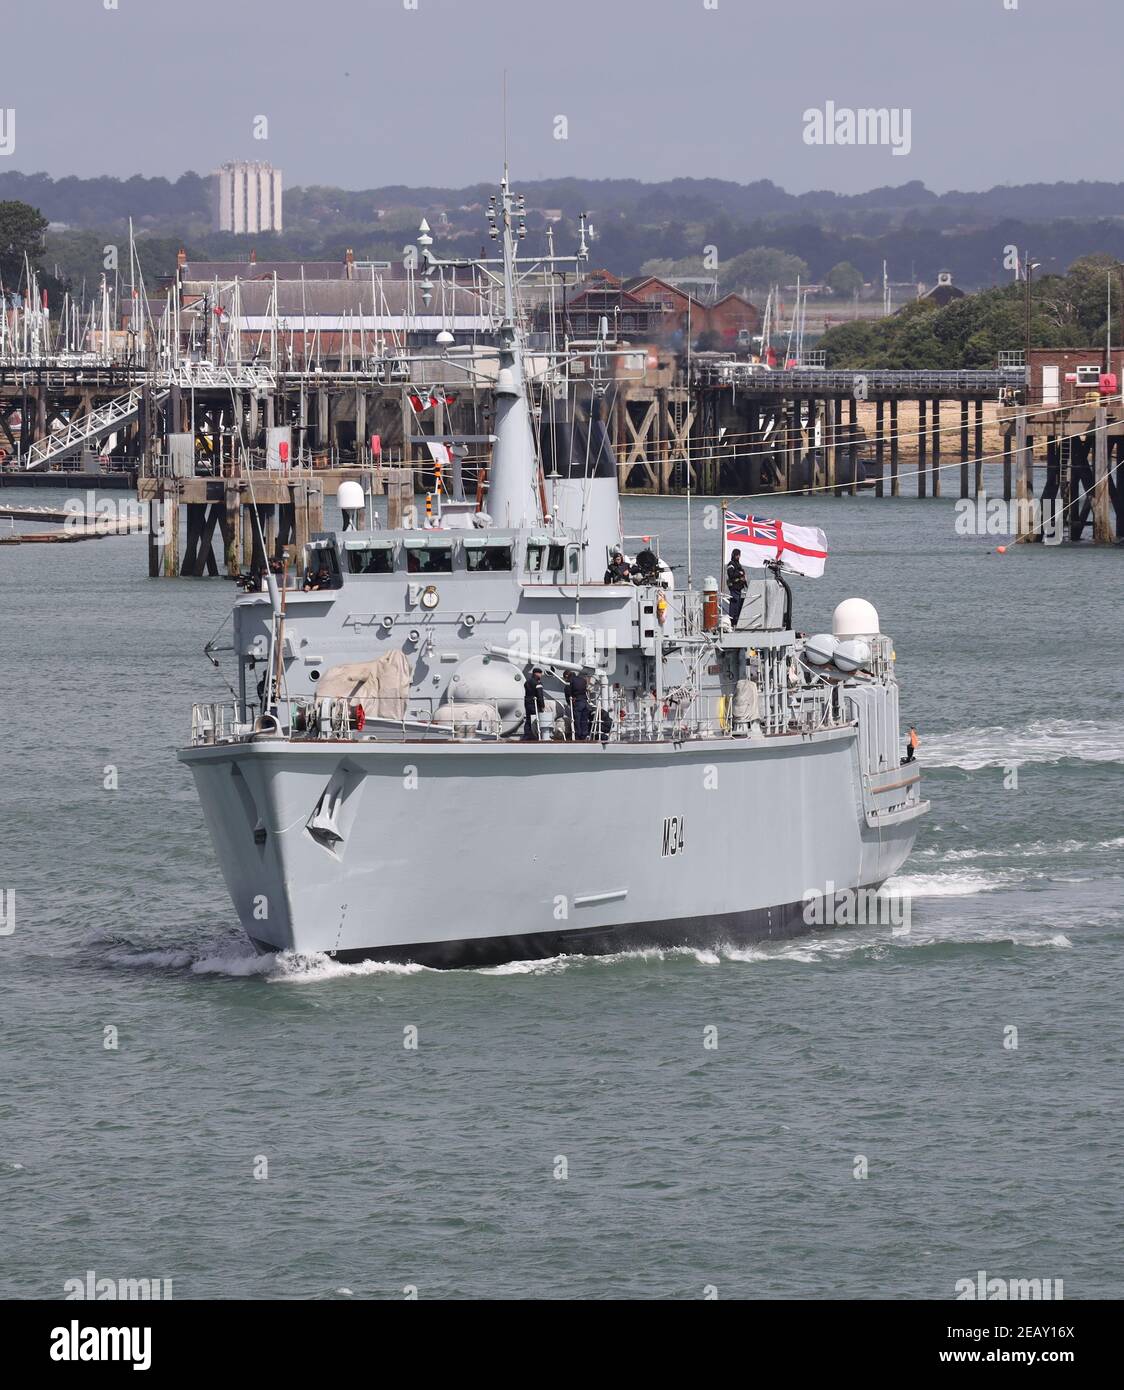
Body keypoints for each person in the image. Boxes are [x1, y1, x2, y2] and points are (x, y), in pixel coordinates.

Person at [564, 669, 591, 740]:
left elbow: (567, 692)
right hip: (585, 702)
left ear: (567, 676)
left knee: (577, 720)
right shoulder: (582, 680)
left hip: (577, 702)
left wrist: (569, 702)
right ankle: (584, 735)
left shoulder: (570, 681)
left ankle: (578, 736)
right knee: (584, 720)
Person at [726, 548, 748, 626]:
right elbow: (731, 574)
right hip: (734, 587)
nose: (738, 557)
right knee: (734, 604)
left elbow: (743, 574)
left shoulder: (738, 564)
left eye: (739, 555)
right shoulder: (731, 564)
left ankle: (736, 620)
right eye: (737, 555)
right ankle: (732, 620)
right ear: (734, 555)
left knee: (738, 604)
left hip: (739, 587)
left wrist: (745, 582)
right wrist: (739, 573)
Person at [523, 667, 545, 741]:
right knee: (536, 720)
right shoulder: (537, 683)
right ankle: (535, 735)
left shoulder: (527, 682)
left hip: (527, 703)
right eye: (540, 673)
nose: (541, 675)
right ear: (537, 673)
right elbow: (540, 695)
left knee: (528, 719)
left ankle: (527, 735)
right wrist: (542, 706)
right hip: (534, 704)